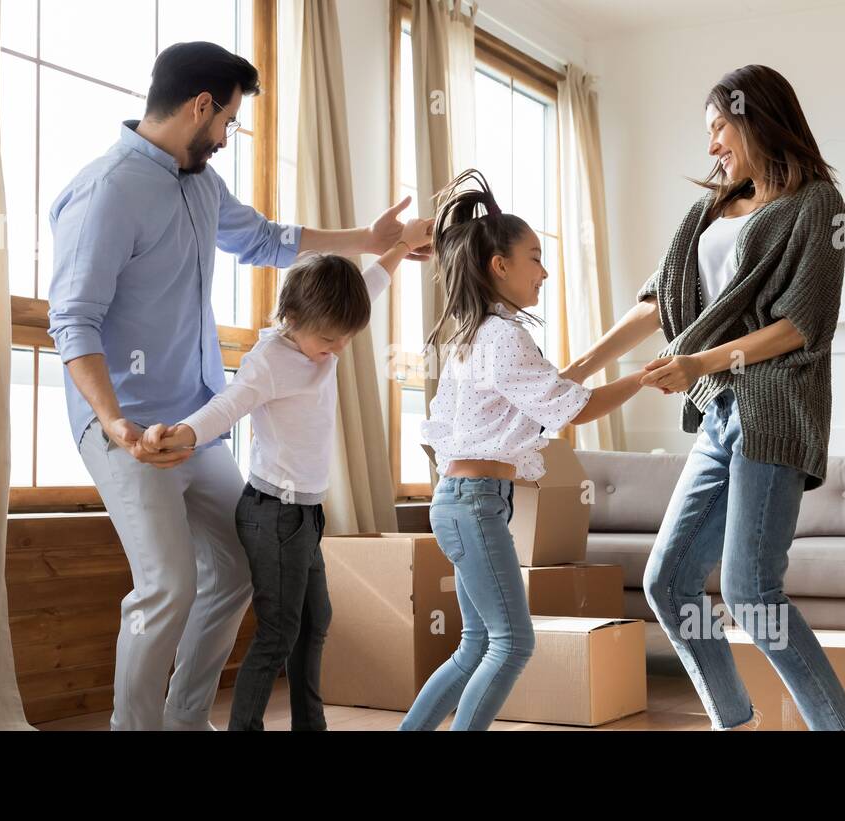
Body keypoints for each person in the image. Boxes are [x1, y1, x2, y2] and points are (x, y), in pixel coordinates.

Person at [46, 41, 427, 731]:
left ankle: (186, 718)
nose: (227, 135)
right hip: (125, 427)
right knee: (167, 584)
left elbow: (268, 240)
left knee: (243, 562)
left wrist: (370, 242)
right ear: (200, 106)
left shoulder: (199, 185)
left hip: (194, 422)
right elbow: (72, 322)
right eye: (227, 121)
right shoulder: (106, 192)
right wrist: (114, 423)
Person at [562, 65, 845, 731]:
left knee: (750, 591)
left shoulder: (817, 205)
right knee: (666, 581)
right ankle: (738, 722)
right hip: (721, 415)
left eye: (719, 129)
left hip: (776, 413)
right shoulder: (708, 210)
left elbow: (799, 323)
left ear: (755, 116)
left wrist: (700, 358)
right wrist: (580, 366)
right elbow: (657, 301)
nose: (711, 147)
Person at [140, 218, 432, 730]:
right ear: (292, 317)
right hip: (272, 515)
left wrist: (403, 244)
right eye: (328, 339)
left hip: (305, 513)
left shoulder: (323, 332)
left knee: (316, 620)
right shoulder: (269, 361)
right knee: (278, 631)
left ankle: (308, 725)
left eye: (345, 340)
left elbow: (369, 284)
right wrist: (183, 434)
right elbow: (227, 407)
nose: (337, 349)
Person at [399, 169, 649, 731]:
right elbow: (573, 408)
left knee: (476, 646)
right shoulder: (502, 337)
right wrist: (641, 379)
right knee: (511, 644)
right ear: (499, 265)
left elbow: (542, 401)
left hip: (465, 500)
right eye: (535, 257)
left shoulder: (477, 334)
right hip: (474, 503)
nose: (545, 270)